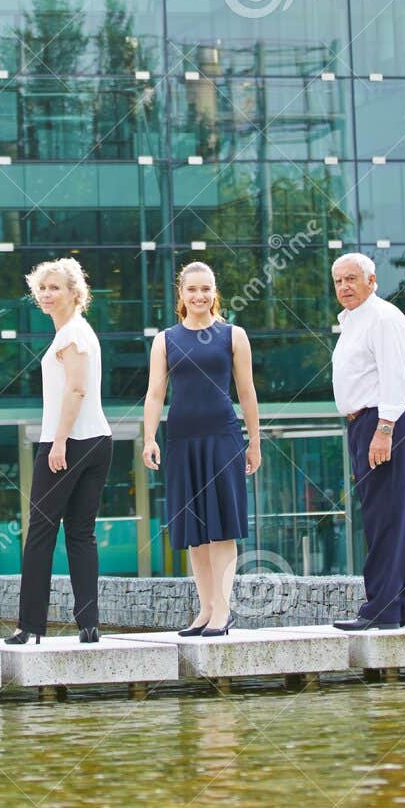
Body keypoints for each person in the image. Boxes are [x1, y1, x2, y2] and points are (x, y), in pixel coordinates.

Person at [143, 262, 261, 636]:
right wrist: (149, 438)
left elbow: (246, 391)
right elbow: (155, 393)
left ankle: (223, 612)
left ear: (215, 292)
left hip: (222, 437)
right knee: (194, 531)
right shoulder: (164, 340)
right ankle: (205, 610)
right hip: (181, 440)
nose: (199, 296)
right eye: (192, 289)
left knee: (222, 528)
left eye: (206, 289)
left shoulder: (233, 335)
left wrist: (253, 441)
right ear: (181, 294)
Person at [5, 259, 112, 645]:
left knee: (41, 535)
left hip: (69, 442)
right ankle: (89, 623)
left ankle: (30, 626)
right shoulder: (78, 332)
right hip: (97, 440)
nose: (47, 294)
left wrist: (60, 441)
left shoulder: (72, 336)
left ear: (74, 293)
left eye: (55, 288)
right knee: (81, 534)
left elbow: (77, 389)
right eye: (43, 288)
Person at [329, 253, 405, 631]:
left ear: (372, 280)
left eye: (352, 279)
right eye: (338, 281)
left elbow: (395, 377)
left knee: (381, 520)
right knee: (392, 518)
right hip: (365, 422)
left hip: (381, 421)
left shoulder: (384, 318)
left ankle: (381, 610)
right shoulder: (353, 321)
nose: (344, 287)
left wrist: (384, 429)